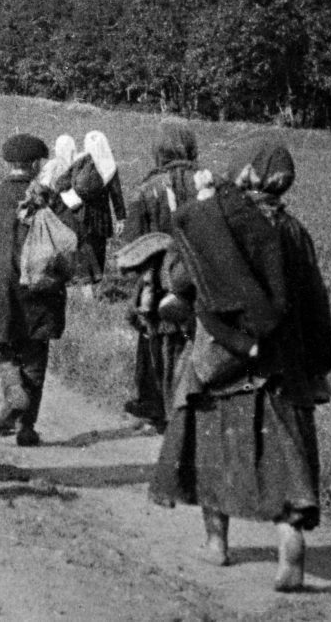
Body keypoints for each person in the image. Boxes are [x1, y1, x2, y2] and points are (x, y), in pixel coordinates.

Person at [149, 136, 331, 593]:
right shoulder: (294, 232)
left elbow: (181, 280)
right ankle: (290, 539)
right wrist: (319, 360)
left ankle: (217, 543)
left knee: (211, 451)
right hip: (282, 362)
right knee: (286, 456)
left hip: (222, 356)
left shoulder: (222, 220)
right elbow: (314, 302)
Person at [0, 133, 70, 447]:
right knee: (35, 356)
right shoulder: (49, 198)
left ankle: (11, 384)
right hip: (39, 288)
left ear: (8, 163)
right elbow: (69, 240)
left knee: (0, 345)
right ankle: (27, 429)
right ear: (38, 164)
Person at [119, 120, 201, 431]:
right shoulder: (208, 183)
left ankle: (158, 409)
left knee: (155, 341)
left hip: (158, 279)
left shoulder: (146, 189)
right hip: (201, 280)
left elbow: (133, 245)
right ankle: (185, 408)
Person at [61, 130, 125, 285]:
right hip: (101, 217)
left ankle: (82, 287)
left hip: (80, 215)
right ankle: (96, 286)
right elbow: (116, 194)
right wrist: (121, 217)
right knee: (99, 250)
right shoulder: (109, 165)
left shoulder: (80, 162)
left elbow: (61, 183)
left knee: (83, 250)